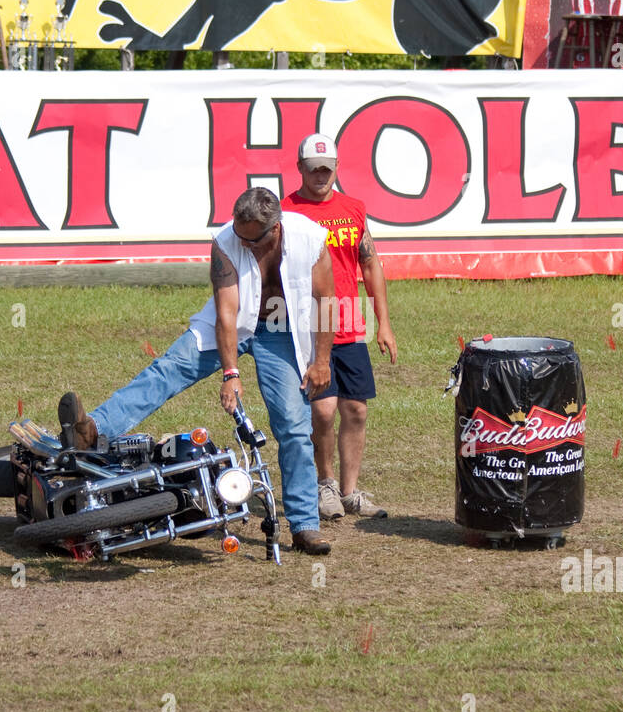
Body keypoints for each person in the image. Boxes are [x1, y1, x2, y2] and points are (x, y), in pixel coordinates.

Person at [59, 187, 337, 554]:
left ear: (275, 229)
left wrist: (320, 362)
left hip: (283, 331)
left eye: (252, 240)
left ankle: (304, 526)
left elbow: (326, 301)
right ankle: (94, 429)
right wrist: (230, 373)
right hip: (233, 323)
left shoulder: (311, 240)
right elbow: (226, 312)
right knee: (168, 369)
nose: (244, 244)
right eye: (240, 236)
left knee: (293, 426)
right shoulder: (226, 241)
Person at [282, 133, 397, 520]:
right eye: (313, 169)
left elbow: (370, 264)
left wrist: (384, 322)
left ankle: (350, 492)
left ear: (336, 167)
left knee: (356, 410)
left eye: (327, 169)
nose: (320, 176)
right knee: (324, 410)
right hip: (309, 329)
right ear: (300, 169)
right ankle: (325, 484)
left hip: (350, 327)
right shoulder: (285, 211)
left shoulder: (354, 209)